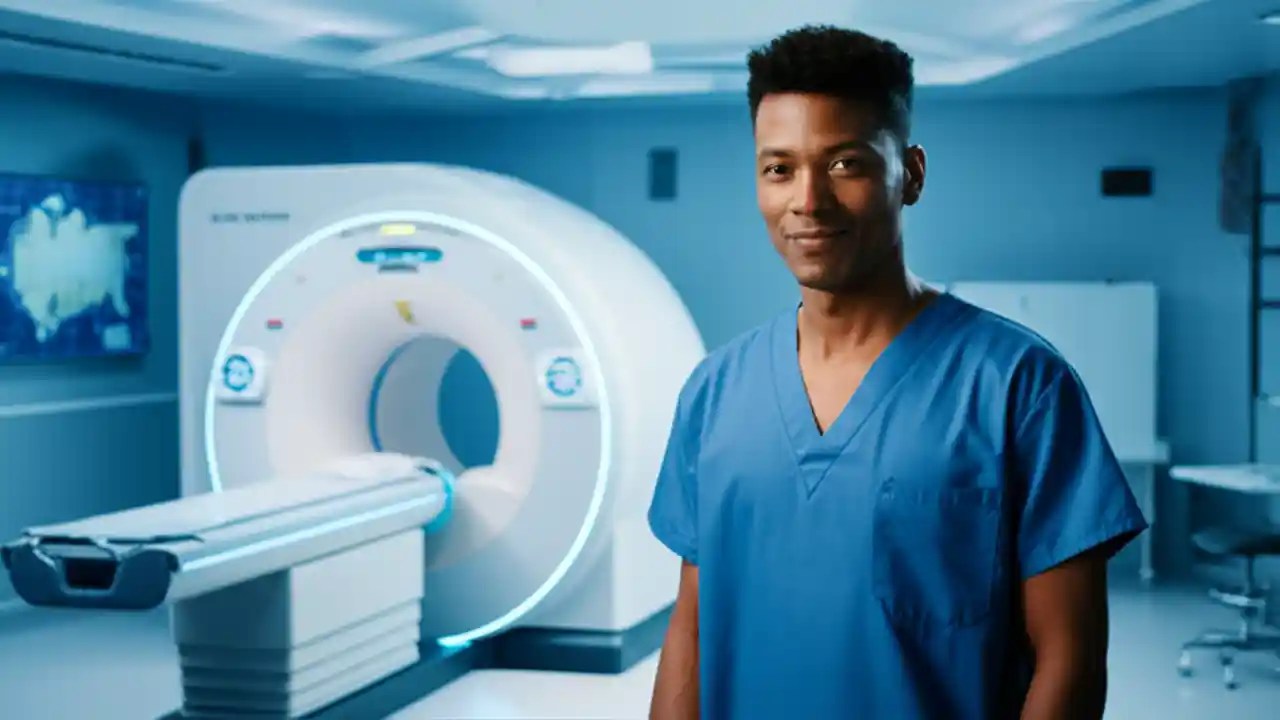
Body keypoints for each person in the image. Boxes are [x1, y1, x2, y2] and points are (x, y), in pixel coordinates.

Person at [645, 25, 1148, 720]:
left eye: (845, 164)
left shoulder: (1017, 387)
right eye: (779, 168)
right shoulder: (715, 394)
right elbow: (691, 631)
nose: (808, 201)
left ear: (909, 173)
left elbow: (1070, 659)